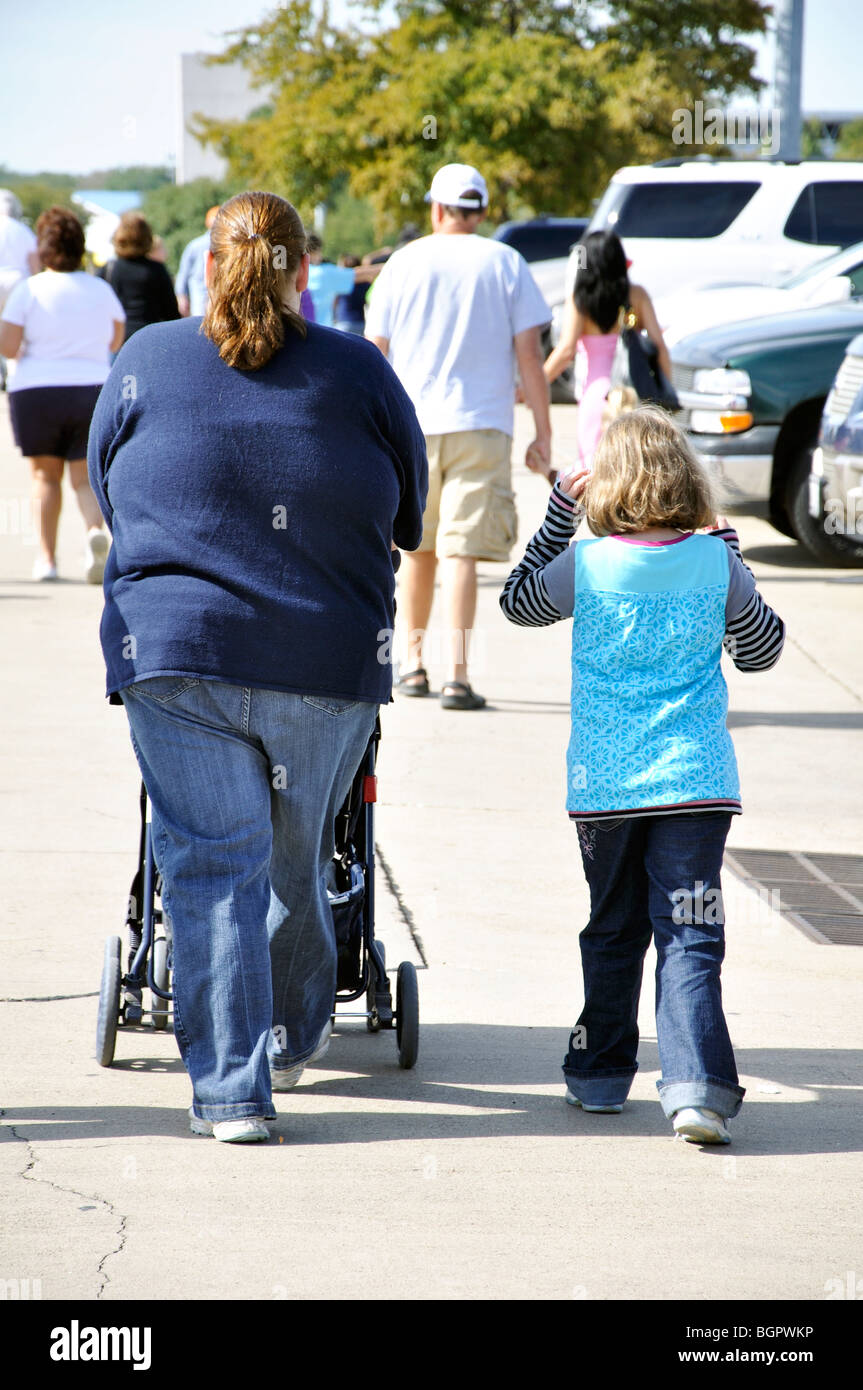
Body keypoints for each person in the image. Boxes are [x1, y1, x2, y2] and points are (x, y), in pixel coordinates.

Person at [88, 190, 427, 1143]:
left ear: (207, 262)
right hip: (324, 657)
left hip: (175, 650)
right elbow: (410, 517)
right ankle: (286, 1034)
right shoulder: (358, 371)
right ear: (302, 268)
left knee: (210, 866)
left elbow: (107, 485)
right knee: (293, 861)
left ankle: (233, 1092)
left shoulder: (146, 358)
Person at [500, 406, 785, 1145]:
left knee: (613, 927)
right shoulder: (713, 558)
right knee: (689, 931)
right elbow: (760, 652)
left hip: (606, 786)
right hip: (694, 780)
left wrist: (560, 512)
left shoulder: (588, 563)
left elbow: (518, 603)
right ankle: (695, 1091)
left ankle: (598, 1076)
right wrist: (732, 554)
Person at [366, 162, 552, 710]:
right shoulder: (507, 262)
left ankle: (414, 665)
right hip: (484, 422)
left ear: (436, 208)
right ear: (481, 210)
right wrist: (543, 432)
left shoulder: (403, 262)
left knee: (416, 548)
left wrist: (368, 426)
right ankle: (459, 677)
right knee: (463, 553)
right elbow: (530, 356)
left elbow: (375, 351)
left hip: (411, 426)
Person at [0, 206, 124, 582]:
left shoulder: (29, 289)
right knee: (84, 478)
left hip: (37, 390)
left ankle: (47, 560)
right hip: (92, 389)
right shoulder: (100, 288)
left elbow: (7, 346)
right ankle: (93, 533)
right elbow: (116, 337)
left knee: (44, 477)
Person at [542, 230, 671, 471]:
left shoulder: (580, 299)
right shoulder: (637, 296)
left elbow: (565, 350)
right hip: (632, 394)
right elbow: (660, 348)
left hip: (596, 396)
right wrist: (666, 393)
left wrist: (534, 384)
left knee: (594, 473)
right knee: (636, 469)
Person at [100, 211, 179, 342]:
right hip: (149, 340)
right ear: (147, 237)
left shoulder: (109, 269)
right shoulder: (156, 270)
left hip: (116, 340)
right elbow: (171, 313)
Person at [0, 189, 41, 390]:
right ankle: (13, 375)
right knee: (17, 331)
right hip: (17, 282)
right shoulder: (21, 229)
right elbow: (34, 262)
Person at [306, 234, 380, 328]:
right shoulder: (323, 273)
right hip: (320, 331)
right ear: (315, 252)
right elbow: (362, 273)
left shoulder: (290, 272)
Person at [175, 205, 221, 317]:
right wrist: (181, 296)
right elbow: (183, 273)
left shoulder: (229, 245)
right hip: (199, 294)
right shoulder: (195, 245)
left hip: (219, 295)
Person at [333, 254, 367, 334]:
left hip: (343, 321)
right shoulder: (365, 284)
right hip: (360, 322)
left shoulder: (342, 283)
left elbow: (335, 302)